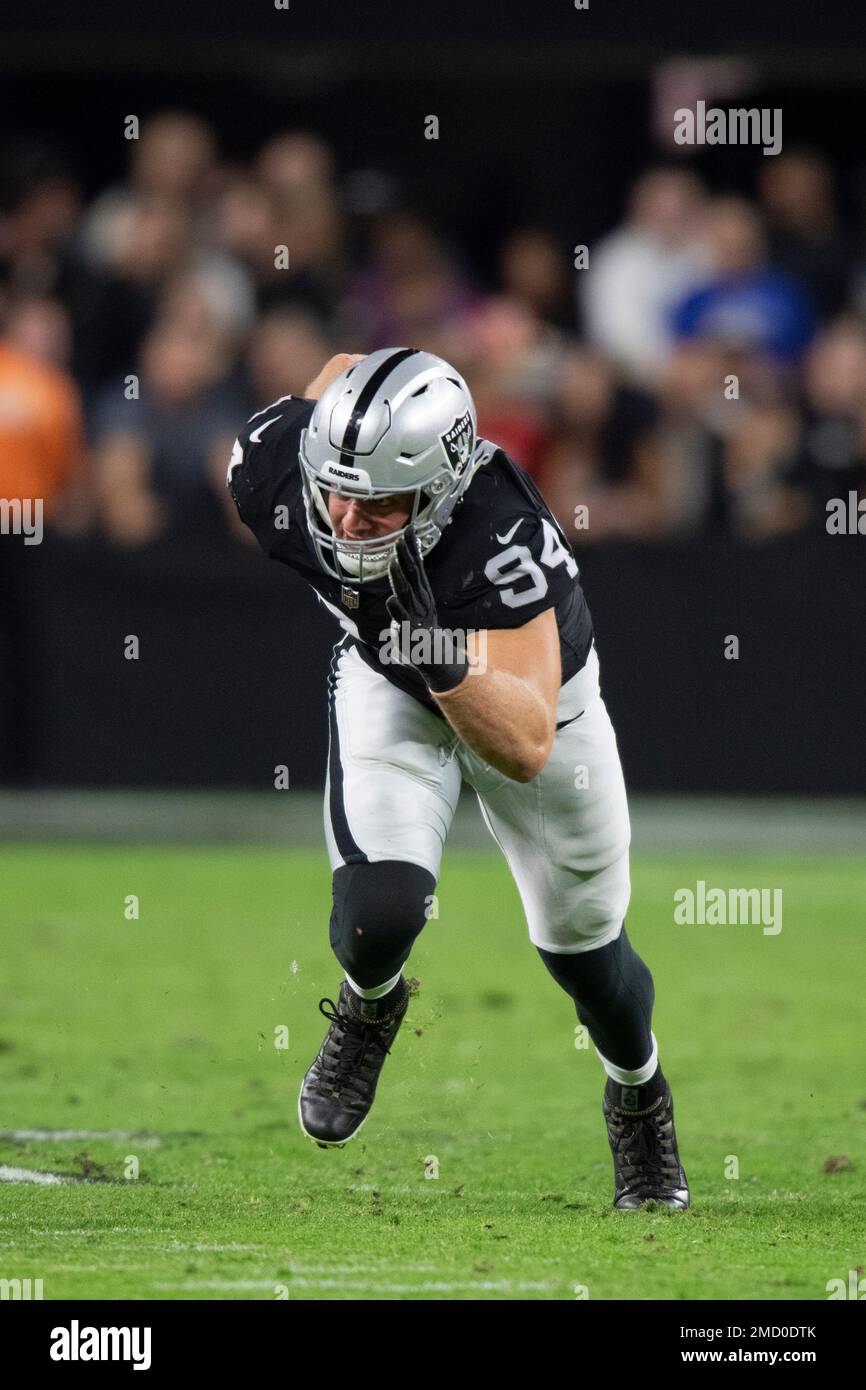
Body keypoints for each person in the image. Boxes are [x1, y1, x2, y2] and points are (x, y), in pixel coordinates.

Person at [226, 348, 689, 1210]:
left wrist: (433, 643)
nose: (345, 519)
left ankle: (639, 1095)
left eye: (377, 505)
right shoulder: (277, 468)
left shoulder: (501, 539)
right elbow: (338, 371)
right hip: (392, 683)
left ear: (437, 490)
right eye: (337, 491)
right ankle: (371, 1006)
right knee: (381, 911)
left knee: (589, 961)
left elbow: (523, 742)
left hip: (534, 706)